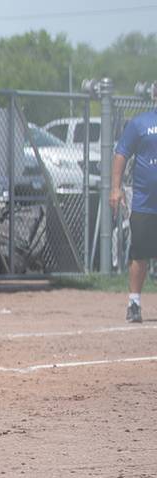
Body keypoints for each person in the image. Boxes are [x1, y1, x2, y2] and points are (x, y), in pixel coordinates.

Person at [111, 102, 157, 323]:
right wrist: (115, 188)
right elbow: (122, 154)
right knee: (139, 254)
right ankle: (134, 303)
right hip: (145, 203)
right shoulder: (140, 123)